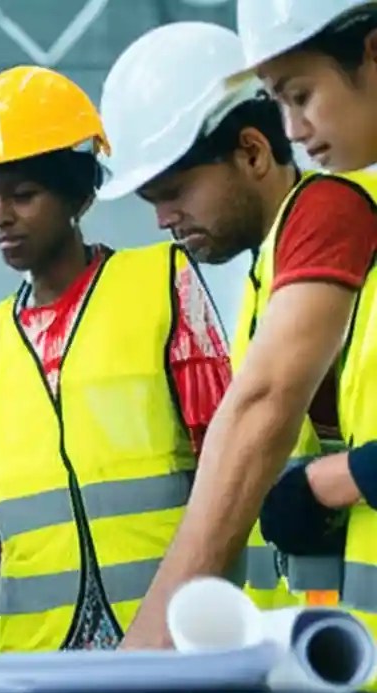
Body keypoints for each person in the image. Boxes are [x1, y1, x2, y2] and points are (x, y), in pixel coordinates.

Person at [96, 15, 377, 650]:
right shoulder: (272, 264)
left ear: (251, 153)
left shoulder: (330, 210)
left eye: (174, 193)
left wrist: (146, 653)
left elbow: (260, 411)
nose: (165, 220)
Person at [0, 66, 232, 653]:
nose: (0, 215)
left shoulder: (162, 283)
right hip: (38, 652)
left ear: (79, 195)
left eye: (23, 194)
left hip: (170, 628)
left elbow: (228, 455)